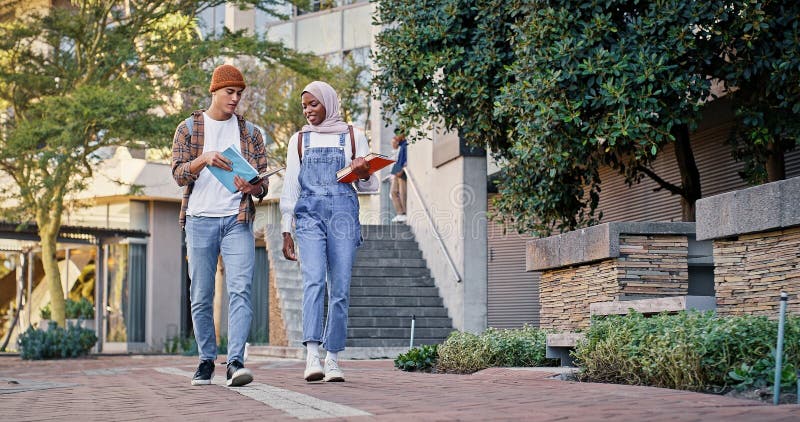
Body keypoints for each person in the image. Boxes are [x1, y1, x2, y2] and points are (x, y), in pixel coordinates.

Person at [171, 64, 269, 387]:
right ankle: (205, 360)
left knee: (240, 289)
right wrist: (205, 158)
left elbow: (263, 186)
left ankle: (236, 361)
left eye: (240, 93)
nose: (235, 98)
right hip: (199, 220)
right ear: (214, 91)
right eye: (230, 92)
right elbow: (178, 173)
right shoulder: (188, 128)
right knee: (200, 294)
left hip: (237, 219)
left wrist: (252, 187)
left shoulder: (251, 133)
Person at [280, 81, 375, 383]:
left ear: (328, 103)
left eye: (313, 104)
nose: (308, 110)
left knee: (341, 288)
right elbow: (291, 187)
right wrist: (286, 229)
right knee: (313, 281)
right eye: (304, 106)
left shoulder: (353, 136)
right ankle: (312, 356)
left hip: (344, 218)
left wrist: (362, 171)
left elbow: (371, 186)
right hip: (309, 219)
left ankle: (332, 357)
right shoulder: (298, 140)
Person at [389, 132, 408, 223]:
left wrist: (402, 170)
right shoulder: (399, 145)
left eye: (397, 135)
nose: (396, 137)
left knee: (402, 192)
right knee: (393, 192)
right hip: (397, 170)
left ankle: (403, 213)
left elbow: (405, 159)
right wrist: (393, 174)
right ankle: (400, 213)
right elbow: (396, 160)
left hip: (401, 170)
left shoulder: (405, 145)